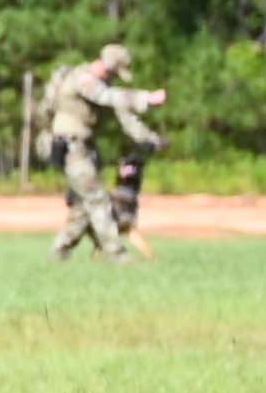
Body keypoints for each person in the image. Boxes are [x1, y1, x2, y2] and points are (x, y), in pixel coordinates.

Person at [37, 42, 168, 258]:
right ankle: (116, 253)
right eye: (115, 72)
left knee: (83, 204)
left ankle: (59, 252)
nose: (115, 77)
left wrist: (150, 139)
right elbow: (107, 97)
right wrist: (146, 98)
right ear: (108, 67)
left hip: (86, 148)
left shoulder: (101, 84)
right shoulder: (83, 79)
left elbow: (126, 117)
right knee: (98, 198)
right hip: (71, 146)